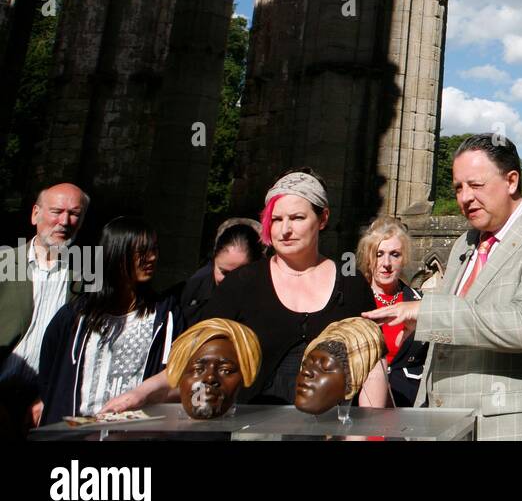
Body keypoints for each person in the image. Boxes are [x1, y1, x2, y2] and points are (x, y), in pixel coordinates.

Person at [106, 169, 387, 410]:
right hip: (253, 429)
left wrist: (363, 433)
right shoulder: (242, 283)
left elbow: (371, 365)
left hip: (329, 434)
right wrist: (141, 394)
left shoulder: (351, 286)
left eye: (298, 218)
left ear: (322, 218)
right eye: (276, 220)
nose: (285, 230)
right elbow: (193, 361)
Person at [366, 133, 522, 441]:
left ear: (511, 181)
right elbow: (450, 332)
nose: (465, 197)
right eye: (458, 187)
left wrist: (425, 311)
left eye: (476, 185)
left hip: (512, 431)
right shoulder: (464, 244)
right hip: (447, 428)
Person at [37, 216, 179, 422]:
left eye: (154, 249)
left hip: (136, 432)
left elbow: (179, 375)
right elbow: (49, 375)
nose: (151, 258)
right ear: (116, 253)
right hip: (74, 431)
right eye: (142, 252)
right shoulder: (75, 317)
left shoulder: (166, 316)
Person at [0, 183, 88, 436]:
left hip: (45, 406)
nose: (65, 221)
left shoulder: (88, 277)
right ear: (35, 214)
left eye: (74, 214)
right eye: (56, 211)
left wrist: (49, 397)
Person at [355, 216, 427, 406]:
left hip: (407, 407)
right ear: (368, 257)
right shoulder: (352, 303)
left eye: (395, 254)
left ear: (404, 259)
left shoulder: (421, 303)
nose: (386, 263)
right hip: (360, 408)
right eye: (379, 254)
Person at [177, 219, 262, 329]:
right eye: (224, 272)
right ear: (214, 260)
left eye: (239, 273)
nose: (230, 280)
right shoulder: (194, 289)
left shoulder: (264, 297)